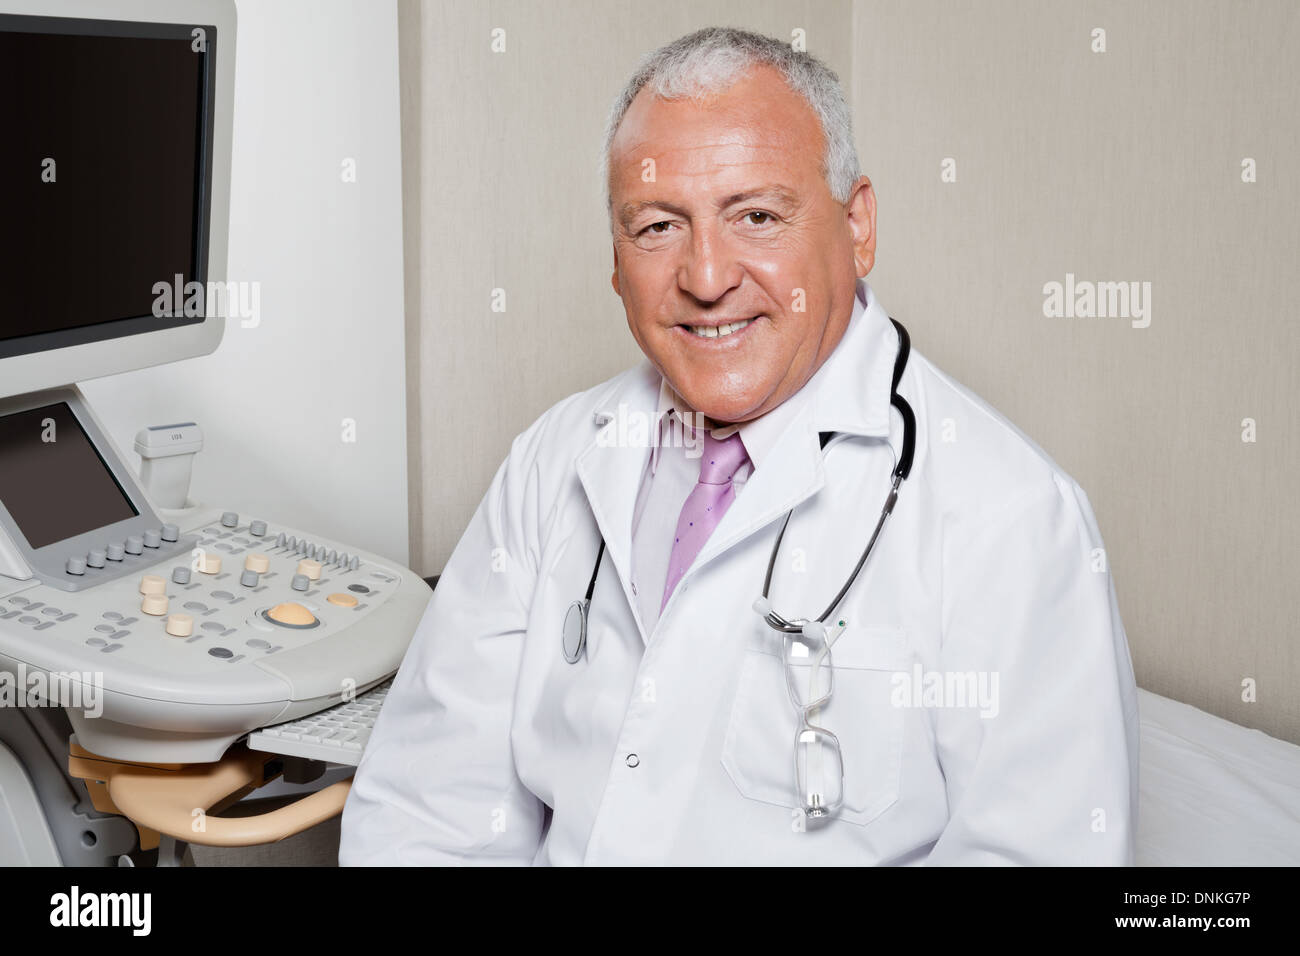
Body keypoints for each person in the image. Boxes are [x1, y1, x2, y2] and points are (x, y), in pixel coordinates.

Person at [340, 26, 1139, 865]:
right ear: (615, 259)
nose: (708, 276)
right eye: (656, 227)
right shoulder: (555, 461)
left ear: (858, 225)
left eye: (756, 216)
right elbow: (426, 811)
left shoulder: (1011, 517)